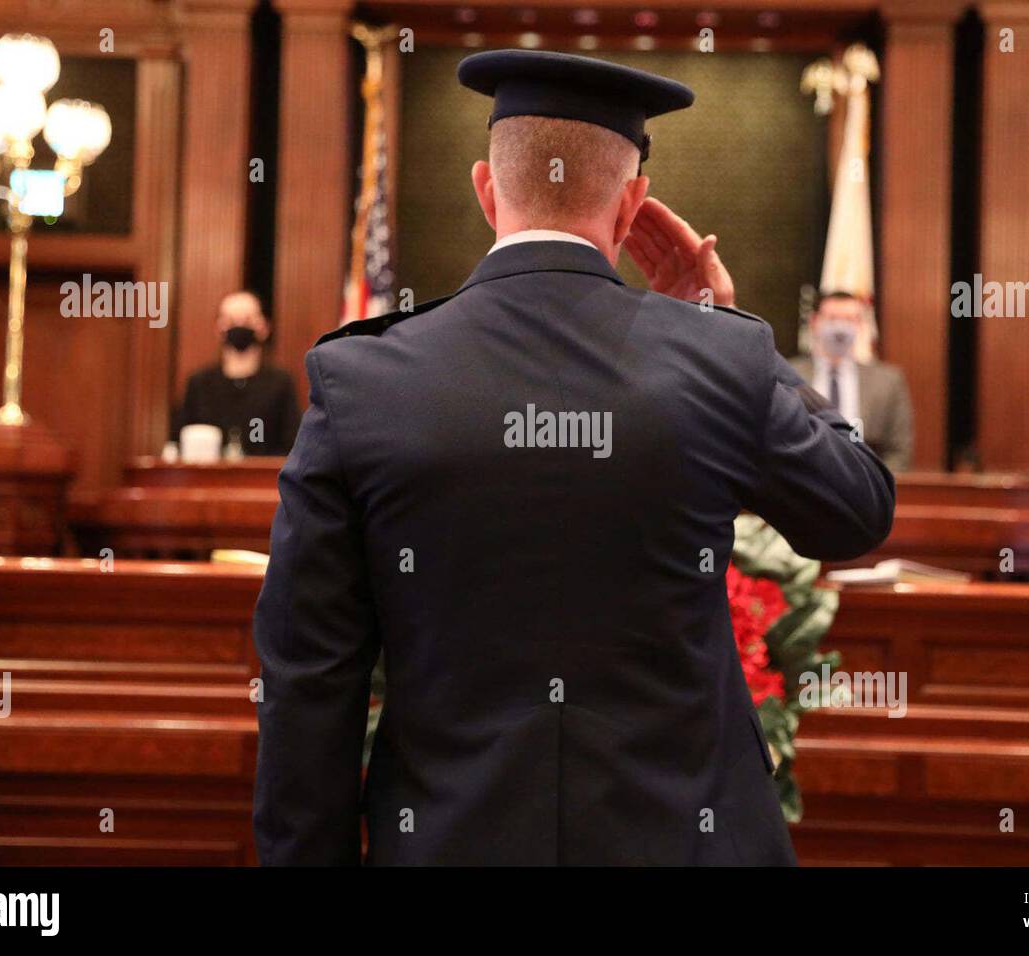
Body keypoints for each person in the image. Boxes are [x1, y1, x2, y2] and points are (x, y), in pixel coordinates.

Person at [253, 49, 895, 867]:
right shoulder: (719, 361)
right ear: (633, 205)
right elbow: (858, 511)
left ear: (486, 188)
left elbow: (309, 682)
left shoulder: (360, 380)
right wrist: (730, 335)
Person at [790, 291, 914, 472]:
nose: (840, 328)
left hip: (866, 486)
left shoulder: (888, 382)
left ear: (861, 325)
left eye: (850, 319)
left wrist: (873, 486)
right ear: (815, 322)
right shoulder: (789, 375)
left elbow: (899, 452)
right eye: (832, 318)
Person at [171, 291, 301, 456]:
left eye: (247, 320)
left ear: (264, 327)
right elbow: (179, 441)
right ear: (218, 328)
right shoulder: (199, 383)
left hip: (263, 478)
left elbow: (292, 444)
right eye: (231, 320)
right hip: (210, 479)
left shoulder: (280, 383)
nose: (239, 325)